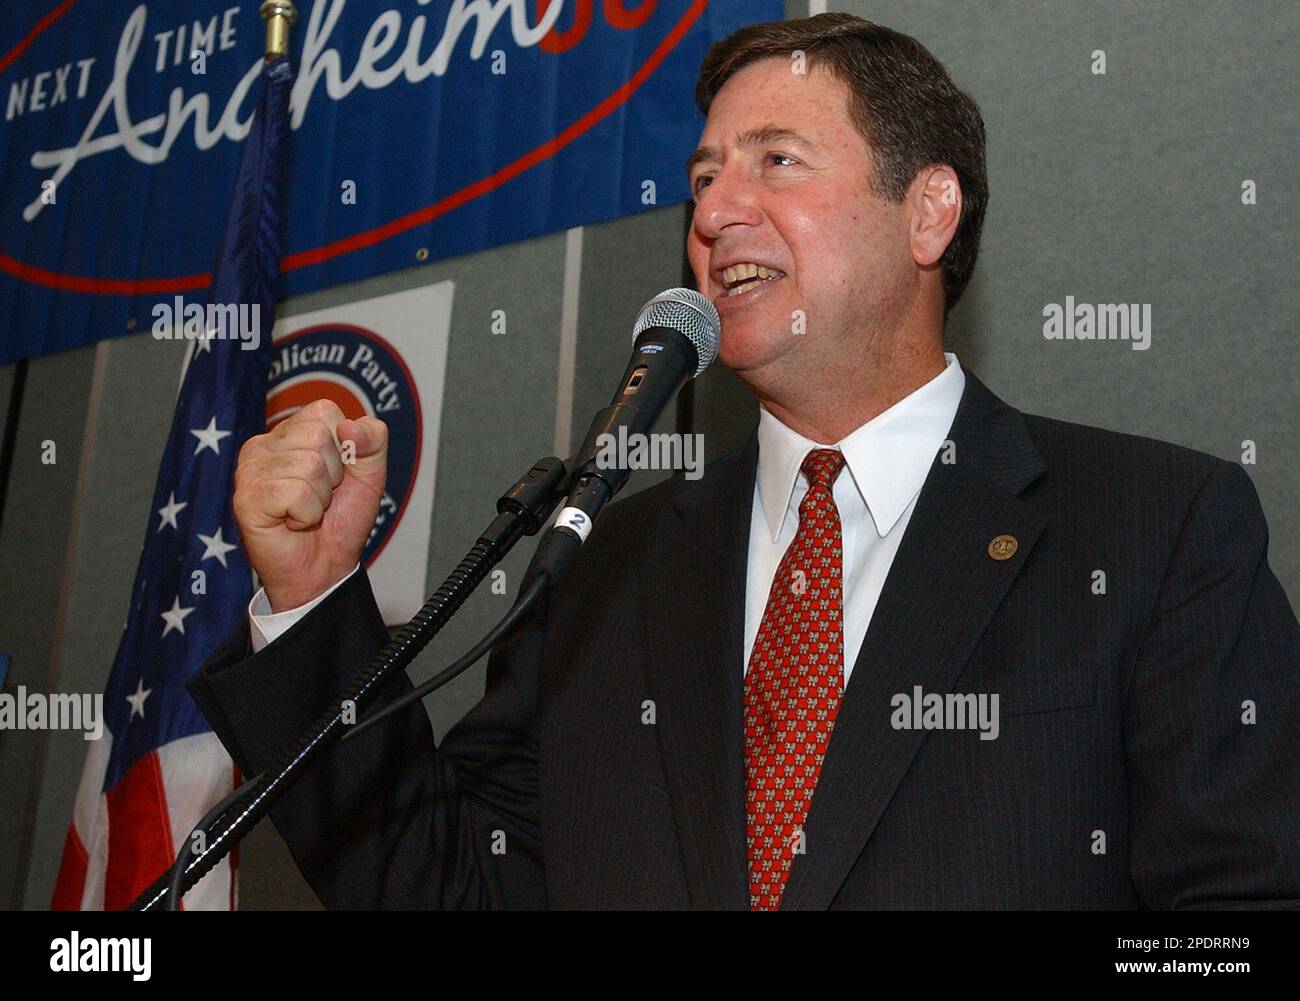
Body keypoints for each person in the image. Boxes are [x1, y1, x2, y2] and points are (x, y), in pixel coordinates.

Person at [190, 14, 1300, 909]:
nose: (715, 211)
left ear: (927, 212)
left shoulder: (1156, 527)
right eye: (706, 175)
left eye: (776, 160)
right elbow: (454, 887)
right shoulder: (601, 560)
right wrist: (309, 596)